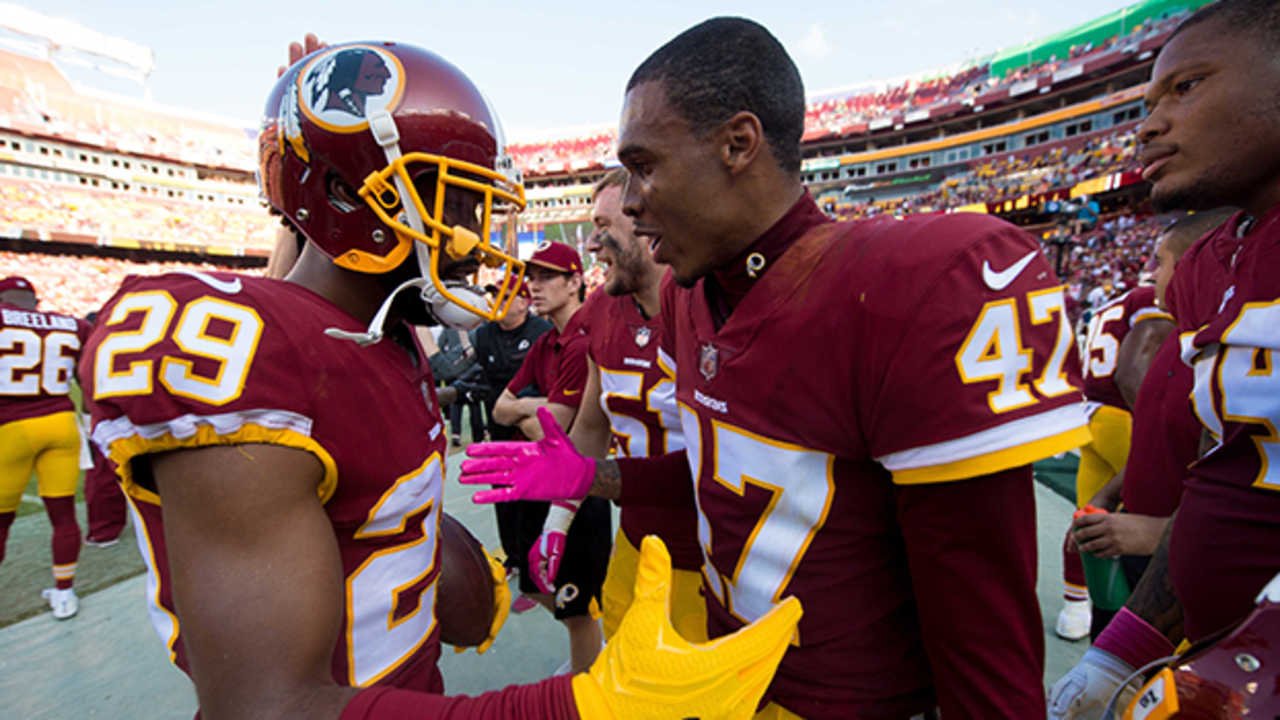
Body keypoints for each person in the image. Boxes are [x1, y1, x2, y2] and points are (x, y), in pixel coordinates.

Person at [79, 40, 800, 720]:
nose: (473, 230)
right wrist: (577, 706)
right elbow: (268, 706)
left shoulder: (387, 343)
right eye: (447, 197)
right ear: (342, 192)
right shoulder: (249, 348)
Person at [462, 17, 1090, 718]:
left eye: (644, 166)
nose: (631, 203)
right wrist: (589, 477)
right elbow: (728, 482)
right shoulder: (692, 294)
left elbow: (981, 634)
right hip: (731, 682)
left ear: (738, 144)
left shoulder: (905, 285)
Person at [1050, 1, 1280, 715]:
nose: (1148, 123)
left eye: (1186, 87)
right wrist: (1123, 647)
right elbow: (1232, 483)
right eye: (1147, 99)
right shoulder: (1220, 255)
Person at [527, 168, 705, 643]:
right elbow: (591, 427)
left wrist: (593, 478)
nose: (591, 244)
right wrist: (557, 520)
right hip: (633, 544)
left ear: (649, 223)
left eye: (604, 227)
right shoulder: (602, 311)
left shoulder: (705, 305)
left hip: (707, 557)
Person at [491, 241, 612, 674]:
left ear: (576, 281)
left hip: (577, 490)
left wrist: (530, 413)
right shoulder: (546, 342)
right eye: (532, 276)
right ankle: (589, 659)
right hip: (540, 482)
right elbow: (500, 409)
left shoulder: (583, 343)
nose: (532, 286)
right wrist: (538, 413)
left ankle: (585, 686)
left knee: (576, 605)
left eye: (546, 276)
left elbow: (560, 431)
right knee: (536, 578)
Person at [1057, 269, 1173, 641]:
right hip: (1122, 416)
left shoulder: (1114, 303)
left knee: (1089, 516)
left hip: (1090, 415)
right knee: (1149, 517)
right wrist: (1155, 420)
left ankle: (1074, 606)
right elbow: (1134, 365)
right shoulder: (1146, 300)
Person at [0, 276, 91, 619]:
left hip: (10, 428)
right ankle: (64, 593)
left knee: (1, 522)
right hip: (60, 424)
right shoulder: (73, 324)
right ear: (34, 301)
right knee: (63, 515)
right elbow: (88, 376)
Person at [462, 282, 551, 578]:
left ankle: (536, 564)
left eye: (505, 295)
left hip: (530, 430)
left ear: (524, 303)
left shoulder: (540, 333)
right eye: (494, 294)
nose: (495, 300)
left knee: (533, 501)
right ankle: (513, 558)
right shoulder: (484, 334)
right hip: (498, 428)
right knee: (502, 496)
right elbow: (466, 371)